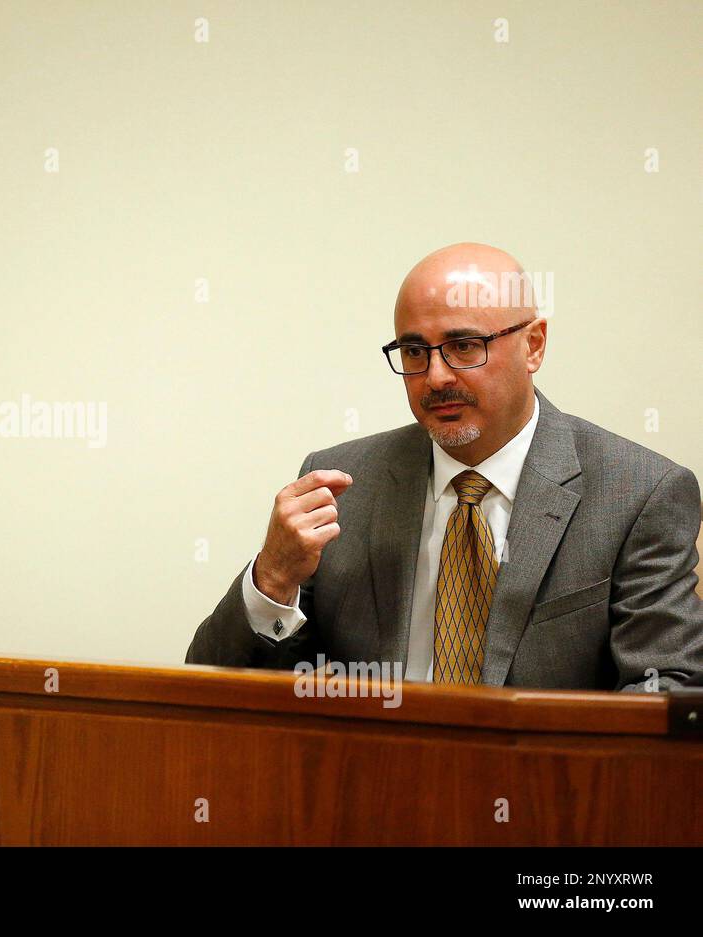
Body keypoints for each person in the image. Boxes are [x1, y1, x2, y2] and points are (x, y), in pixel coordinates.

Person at [187, 243, 703, 690]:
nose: (436, 377)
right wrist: (274, 577)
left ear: (534, 345)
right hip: (374, 790)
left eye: (463, 346)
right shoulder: (344, 481)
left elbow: (664, 692)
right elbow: (216, 687)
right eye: (414, 351)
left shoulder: (639, 493)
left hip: (549, 795)